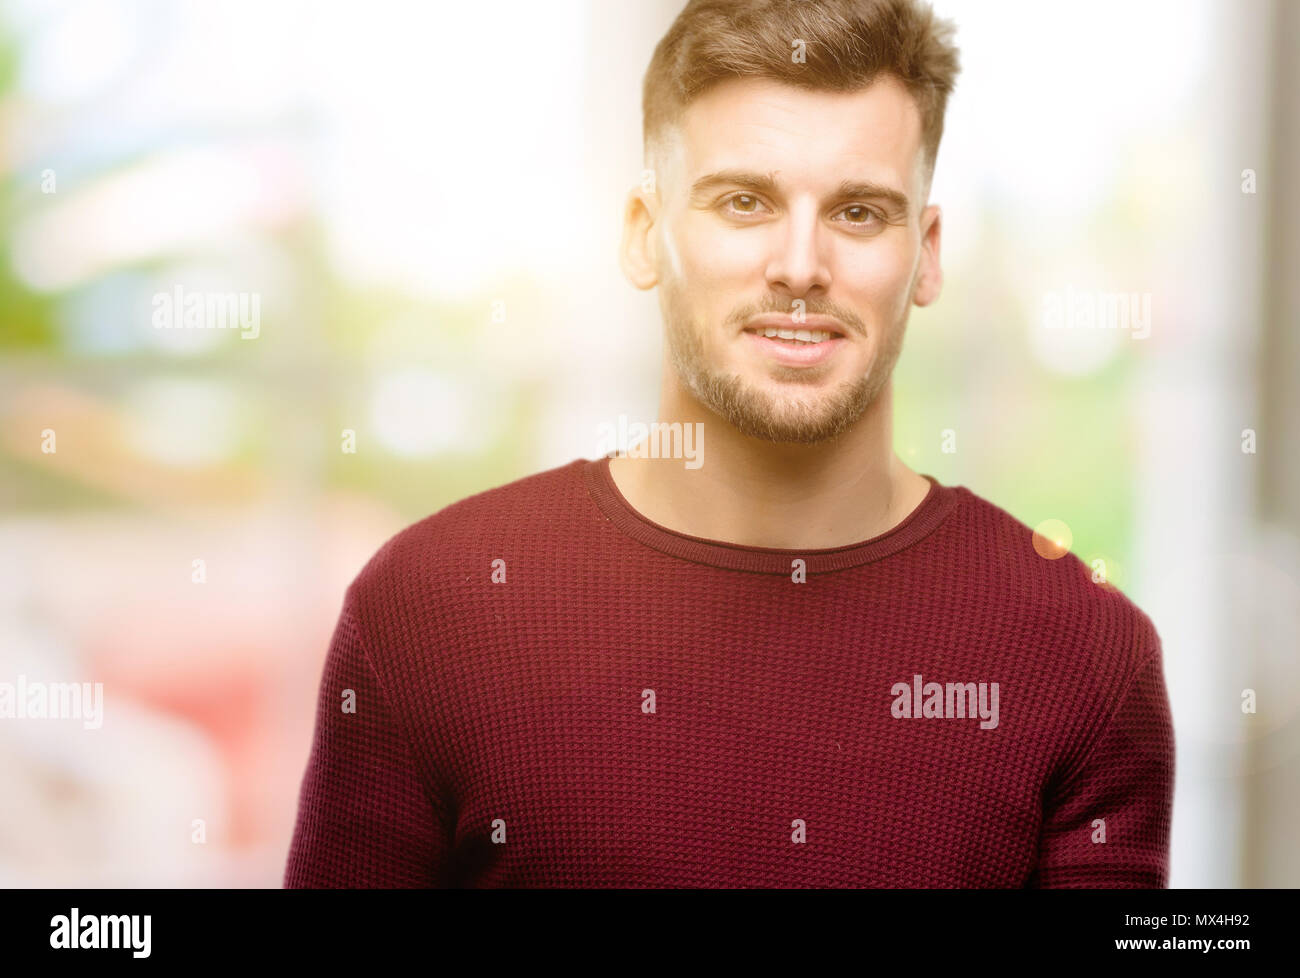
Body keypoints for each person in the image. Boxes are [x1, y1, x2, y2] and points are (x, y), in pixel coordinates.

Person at [285, 0, 1174, 888]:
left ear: (928, 254)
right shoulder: (429, 612)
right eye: (743, 202)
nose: (798, 265)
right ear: (645, 233)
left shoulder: (1085, 656)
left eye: (860, 212)